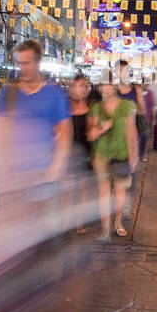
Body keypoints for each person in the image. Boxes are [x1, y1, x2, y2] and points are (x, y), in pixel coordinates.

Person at [0, 39, 72, 185]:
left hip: (44, 173)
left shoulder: (54, 93)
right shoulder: (9, 92)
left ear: (37, 63)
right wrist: (0, 165)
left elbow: (65, 134)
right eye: (19, 63)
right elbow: (0, 129)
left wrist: (56, 168)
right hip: (14, 173)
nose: (22, 68)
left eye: (27, 63)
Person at [87, 76, 139, 239]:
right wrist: (102, 128)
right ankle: (104, 229)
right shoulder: (96, 108)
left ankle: (118, 224)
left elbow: (131, 132)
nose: (105, 88)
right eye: (102, 85)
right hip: (102, 155)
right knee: (103, 193)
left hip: (121, 154)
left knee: (119, 192)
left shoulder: (126, 106)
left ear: (115, 85)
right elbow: (91, 135)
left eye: (108, 84)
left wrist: (134, 155)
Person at [68, 73, 96, 235]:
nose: (79, 90)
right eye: (75, 86)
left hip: (86, 155)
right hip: (68, 155)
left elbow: (93, 133)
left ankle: (79, 221)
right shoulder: (65, 110)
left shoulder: (92, 110)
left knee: (83, 190)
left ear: (87, 89)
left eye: (83, 86)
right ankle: (67, 221)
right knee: (68, 191)